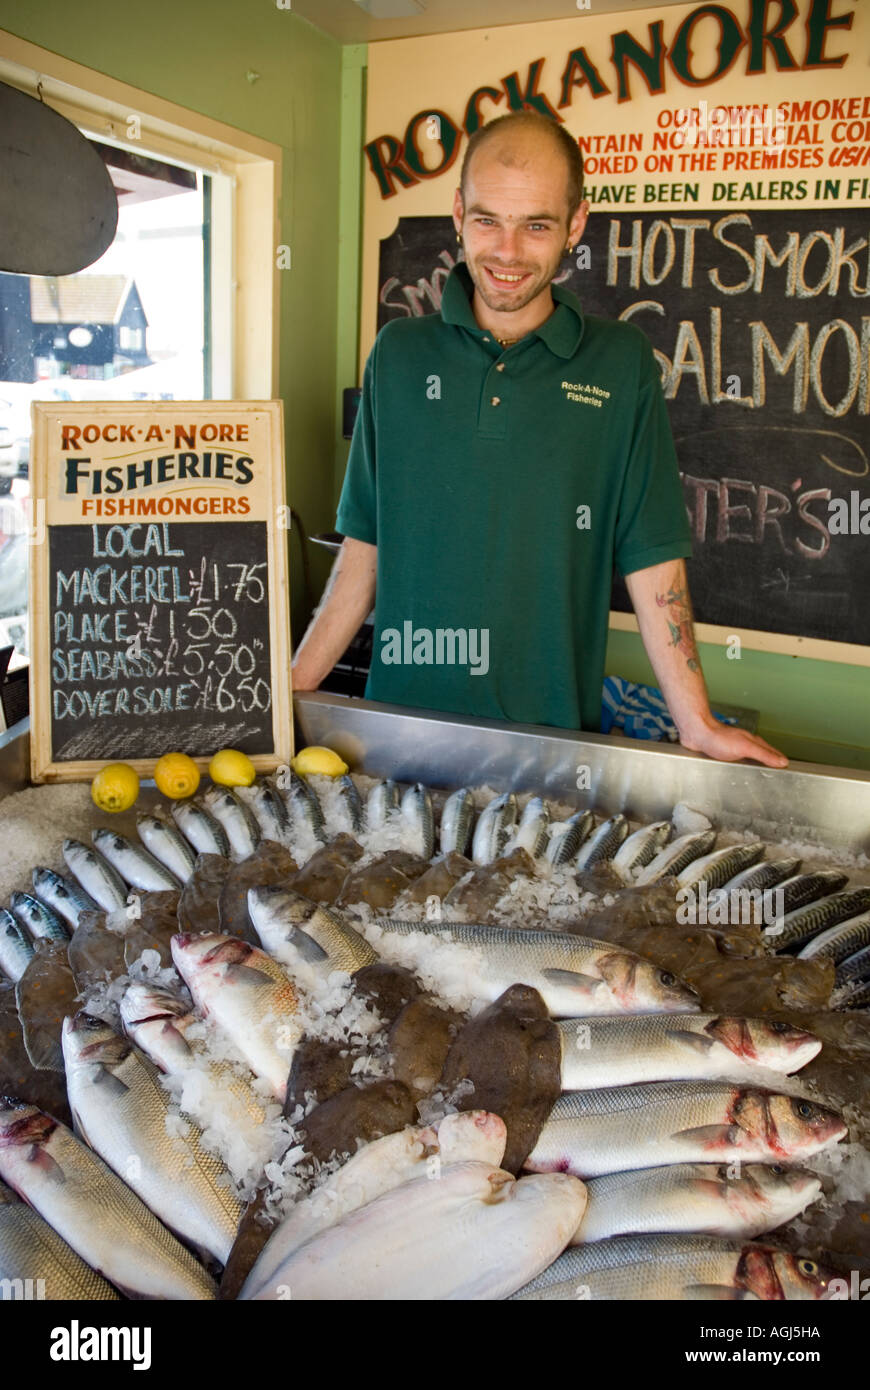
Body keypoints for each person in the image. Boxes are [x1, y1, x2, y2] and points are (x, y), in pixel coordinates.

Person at [293, 111, 786, 769]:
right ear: (459, 212)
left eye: (537, 225)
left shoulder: (621, 362)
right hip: (396, 743)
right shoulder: (398, 355)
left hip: (550, 751)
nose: (506, 251)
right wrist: (291, 690)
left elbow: (653, 559)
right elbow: (364, 553)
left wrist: (695, 722)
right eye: (488, 220)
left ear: (575, 225)